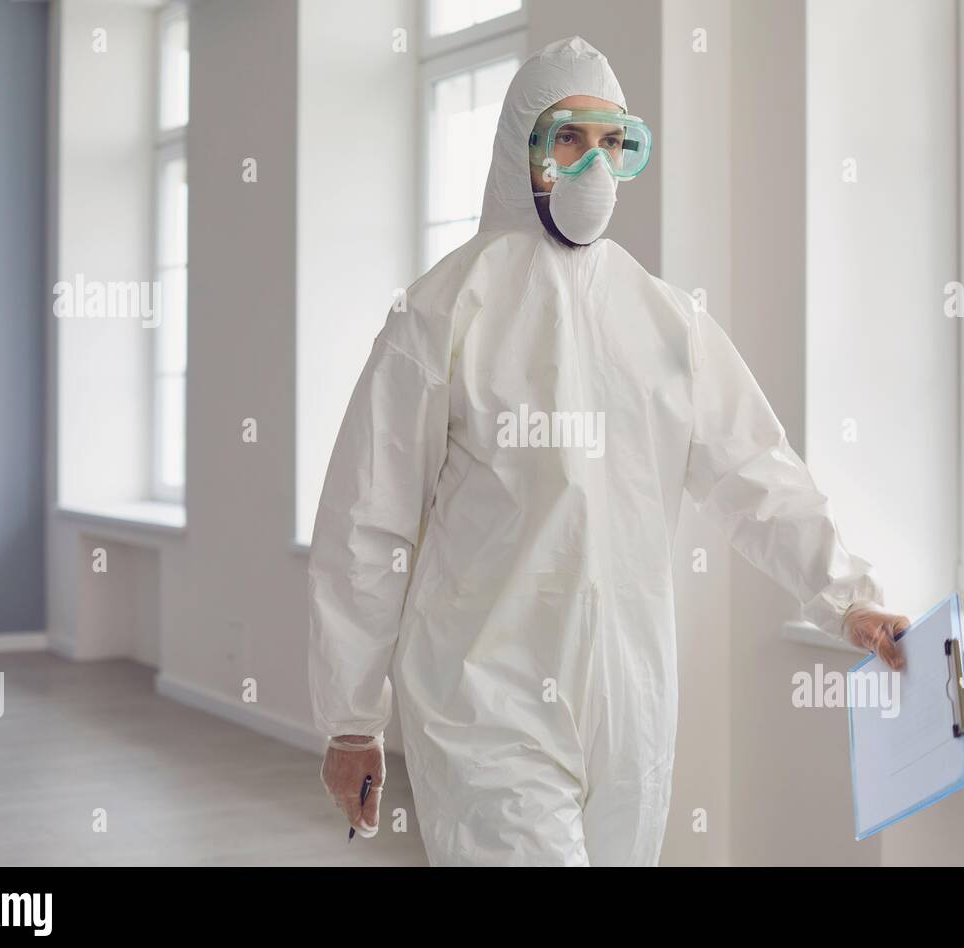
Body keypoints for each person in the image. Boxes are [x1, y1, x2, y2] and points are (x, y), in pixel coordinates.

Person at [308, 36, 909, 867]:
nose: (594, 164)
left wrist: (846, 597)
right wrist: (351, 717)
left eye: (613, 142)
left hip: (632, 702)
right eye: (568, 139)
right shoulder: (442, 312)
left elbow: (756, 471)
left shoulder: (663, 317)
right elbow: (368, 524)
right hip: (487, 697)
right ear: (522, 147)